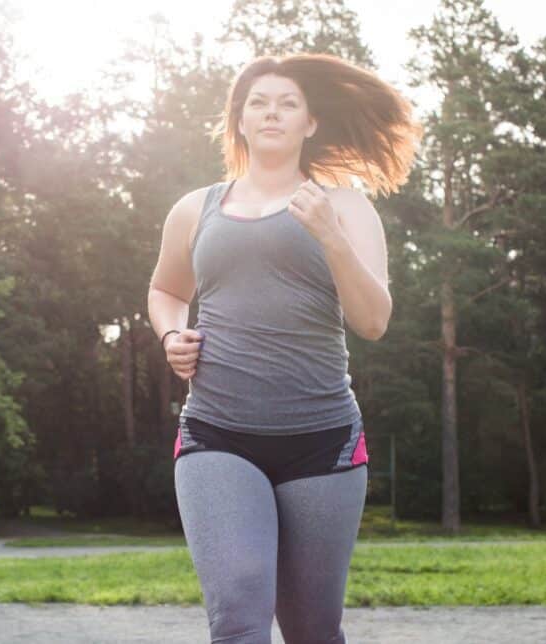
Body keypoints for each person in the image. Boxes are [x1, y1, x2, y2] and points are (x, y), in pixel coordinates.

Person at [147, 53, 421, 643]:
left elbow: (373, 321)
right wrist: (172, 334)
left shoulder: (346, 207)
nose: (272, 113)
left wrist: (329, 235)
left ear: (310, 123)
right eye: (259, 103)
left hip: (322, 441)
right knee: (238, 615)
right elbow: (166, 290)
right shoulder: (195, 209)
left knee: (312, 629)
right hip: (216, 433)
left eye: (288, 103)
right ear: (240, 120)